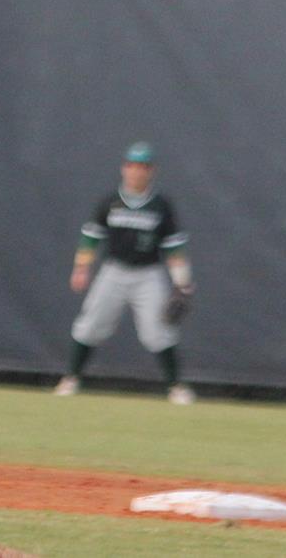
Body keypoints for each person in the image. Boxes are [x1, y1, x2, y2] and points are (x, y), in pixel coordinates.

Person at [54, 142, 195, 404]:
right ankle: (71, 378)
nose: (136, 172)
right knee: (91, 323)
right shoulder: (110, 202)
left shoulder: (161, 205)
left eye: (143, 167)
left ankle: (176, 387)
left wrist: (182, 282)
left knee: (158, 332)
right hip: (114, 271)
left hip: (149, 274)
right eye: (132, 166)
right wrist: (81, 268)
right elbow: (91, 238)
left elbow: (174, 248)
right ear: (124, 168)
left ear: (151, 171)